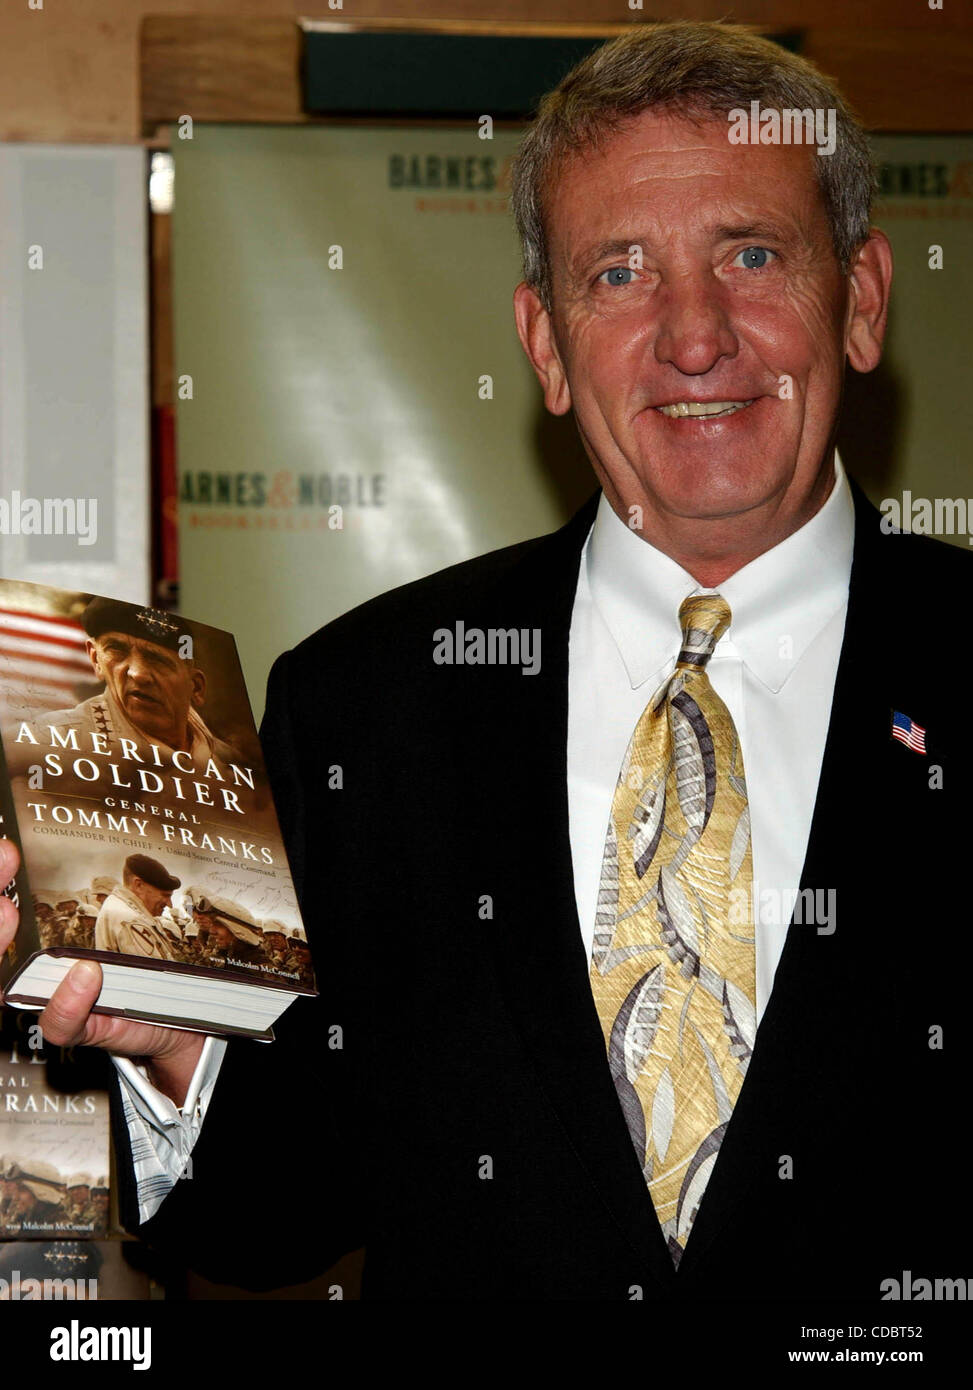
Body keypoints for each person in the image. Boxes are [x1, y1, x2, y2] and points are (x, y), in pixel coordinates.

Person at [1, 21, 969, 1299]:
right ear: (546, 343)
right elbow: (266, 1219)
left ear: (858, 299)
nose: (694, 335)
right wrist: (180, 1047)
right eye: (618, 273)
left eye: (750, 253)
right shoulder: (365, 708)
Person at [93, 854, 182, 960]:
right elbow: (153, 973)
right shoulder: (131, 919)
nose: (170, 904)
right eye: (165, 895)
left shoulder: (119, 907)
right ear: (138, 885)